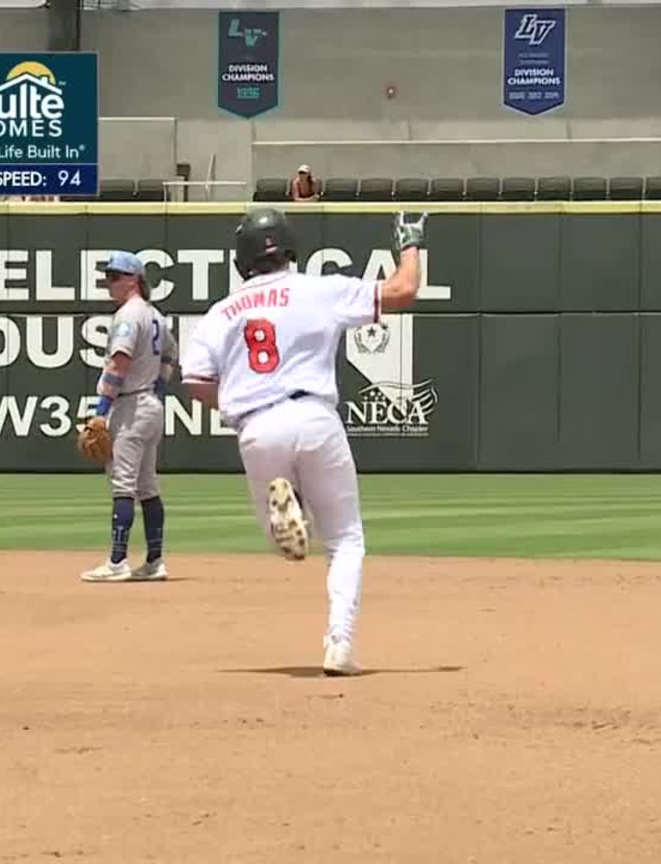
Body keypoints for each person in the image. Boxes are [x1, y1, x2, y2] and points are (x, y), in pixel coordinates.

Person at [179, 207, 426, 675]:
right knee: (346, 539)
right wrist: (410, 243)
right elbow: (403, 290)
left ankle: (289, 508)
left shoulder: (220, 313)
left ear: (241, 260)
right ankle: (340, 644)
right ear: (290, 248)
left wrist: (233, 405)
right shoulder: (319, 289)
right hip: (315, 418)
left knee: (285, 545)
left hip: (257, 425)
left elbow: (194, 380)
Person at [81, 251, 177, 583]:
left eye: (115, 277)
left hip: (130, 406)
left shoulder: (128, 315)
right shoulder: (154, 315)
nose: (109, 283)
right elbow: (171, 354)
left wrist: (101, 411)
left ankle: (117, 562)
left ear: (133, 280)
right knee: (147, 485)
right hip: (150, 405)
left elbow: (119, 363)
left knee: (123, 484)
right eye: (108, 277)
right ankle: (154, 561)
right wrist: (157, 389)